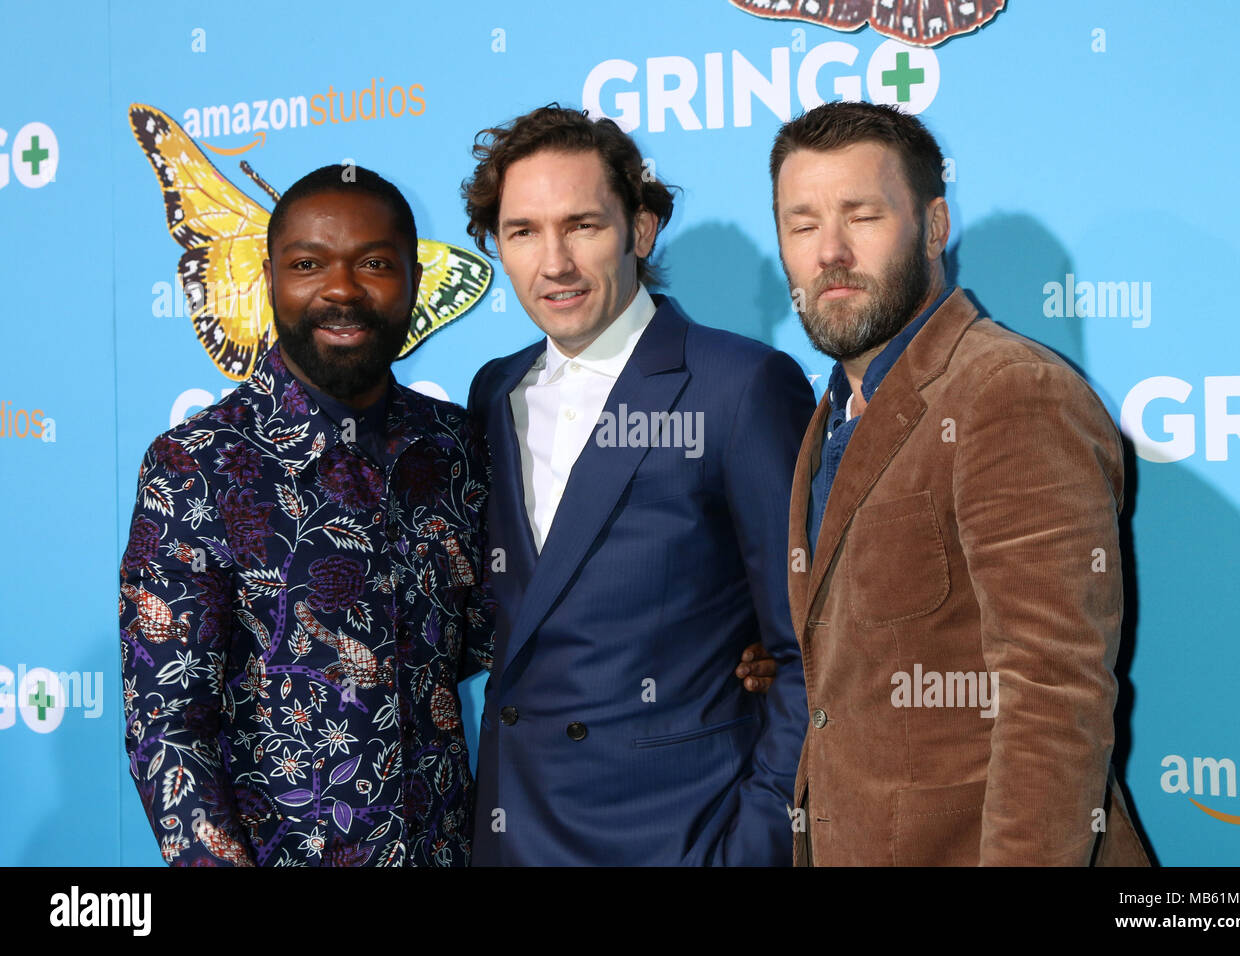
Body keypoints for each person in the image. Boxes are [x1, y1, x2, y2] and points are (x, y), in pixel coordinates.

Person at [770, 101, 1149, 866]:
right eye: (802, 224)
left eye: (863, 216)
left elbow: (1053, 701)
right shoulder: (833, 414)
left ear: (935, 227)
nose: (830, 253)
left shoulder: (1008, 392)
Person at [463, 105, 814, 865]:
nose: (553, 262)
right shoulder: (491, 393)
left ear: (641, 230)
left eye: (582, 225)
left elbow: (810, 650)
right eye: (523, 232)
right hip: (514, 832)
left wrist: (755, 842)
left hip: (676, 834)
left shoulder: (739, 384)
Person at [119, 165, 493, 866]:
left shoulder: (456, 448)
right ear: (269, 279)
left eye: (375, 263)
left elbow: (499, 640)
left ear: (414, 279)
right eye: (308, 264)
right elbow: (168, 728)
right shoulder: (195, 464)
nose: (343, 289)